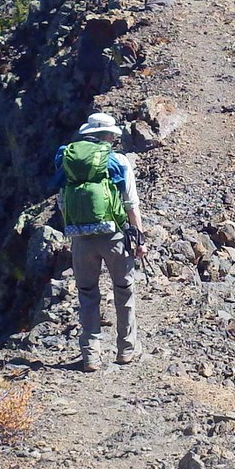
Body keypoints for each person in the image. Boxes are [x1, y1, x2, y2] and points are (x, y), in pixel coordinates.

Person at [53, 112, 146, 370]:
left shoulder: (69, 161)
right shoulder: (118, 161)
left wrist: (74, 227)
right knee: (123, 290)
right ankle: (126, 349)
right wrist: (138, 237)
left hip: (81, 237)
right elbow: (131, 203)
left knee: (87, 293)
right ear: (107, 136)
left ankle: (90, 354)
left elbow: (61, 200)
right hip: (113, 235)